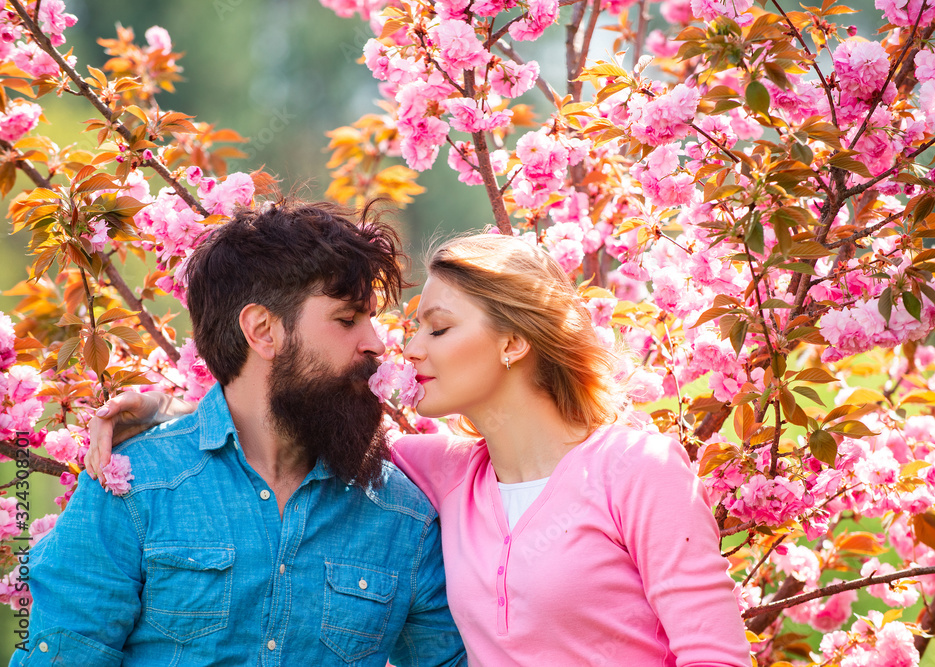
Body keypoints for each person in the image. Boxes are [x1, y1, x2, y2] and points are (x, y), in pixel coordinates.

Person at [89, 233, 753, 666]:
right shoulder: (440, 473)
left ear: (514, 341)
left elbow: (715, 656)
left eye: (438, 328)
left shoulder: (637, 469)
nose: (405, 348)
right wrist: (163, 410)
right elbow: (279, 423)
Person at [14, 201, 466, 666]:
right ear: (263, 330)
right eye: (348, 319)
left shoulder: (402, 516)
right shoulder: (133, 489)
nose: (375, 342)